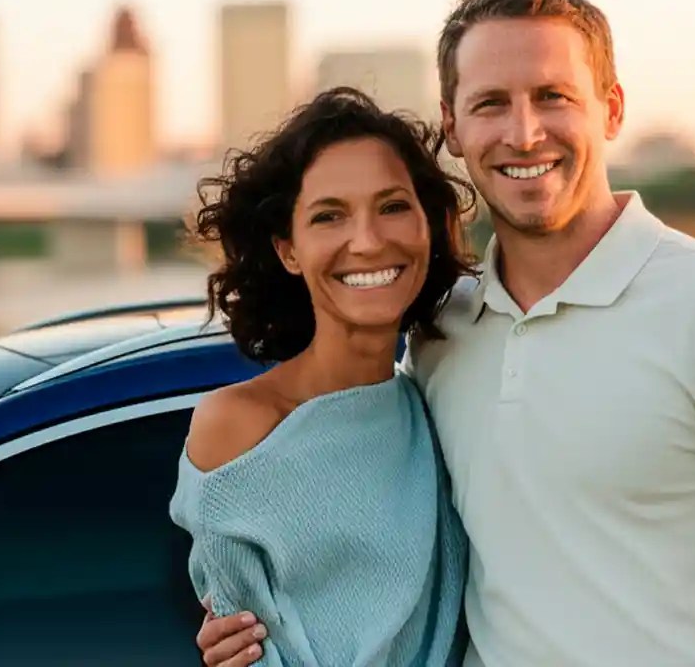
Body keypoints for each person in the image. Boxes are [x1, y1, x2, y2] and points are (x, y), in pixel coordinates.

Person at [197, 0, 695, 667]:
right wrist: (250, 622)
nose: (524, 134)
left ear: (610, 110)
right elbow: (373, 554)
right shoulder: (439, 332)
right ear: (454, 126)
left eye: (552, 97)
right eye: (491, 103)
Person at [169, 86, 474, 666]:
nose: (368, 241)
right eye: (329, 216)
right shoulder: (241, 428)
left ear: (427, 227)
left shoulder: (442, 399)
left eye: (392, 207)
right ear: (288, 249)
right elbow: (244, 649)